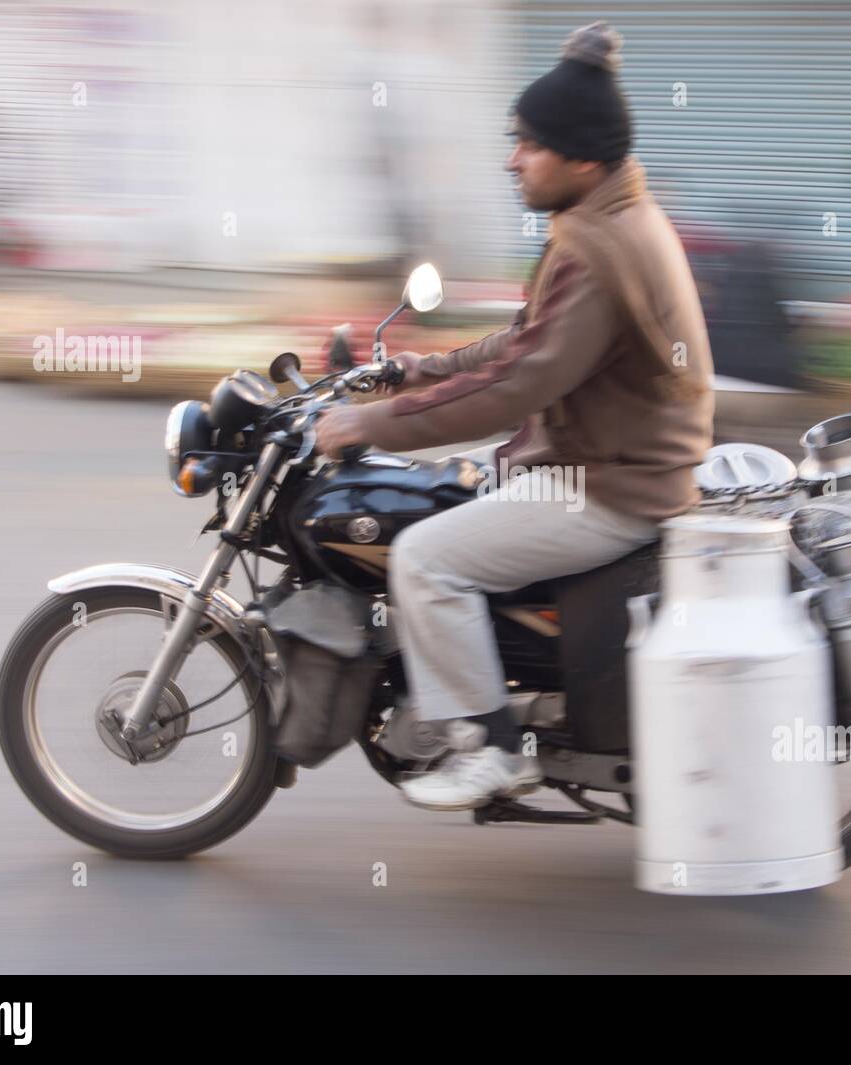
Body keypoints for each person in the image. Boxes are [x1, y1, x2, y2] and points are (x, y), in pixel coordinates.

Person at [315, 22, 714, 810]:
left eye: (529, 144)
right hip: (614, 465)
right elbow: (527, 345)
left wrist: (372, 426)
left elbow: (519, 385)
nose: (512, 159)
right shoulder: (608, 215)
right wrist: (411, 372)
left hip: (611, 487)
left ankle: (489, 747)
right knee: (449, 502)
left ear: (583, 159)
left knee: (425, 558)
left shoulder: (598, 249)